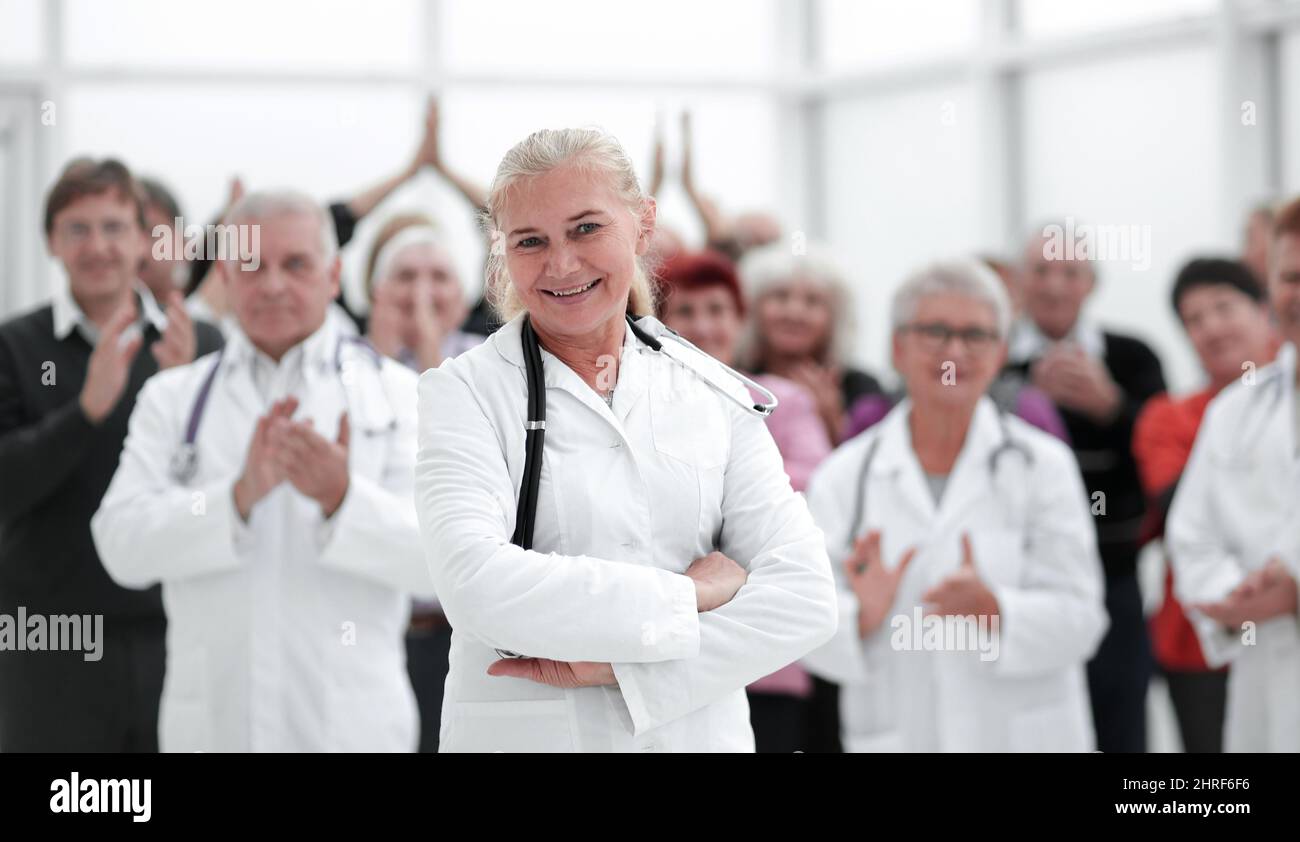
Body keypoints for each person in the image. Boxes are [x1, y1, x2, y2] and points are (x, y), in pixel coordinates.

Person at [414, 127, 837, 752]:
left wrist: (623, 670)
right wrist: (689, 596)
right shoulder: (465, 393)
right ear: (503, 254)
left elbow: (805, 597)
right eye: (531, 241)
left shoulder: (713, 390)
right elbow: (475, 586)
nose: (562, 264)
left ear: (643, 225)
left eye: (587, 228)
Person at [91, 190, 436, 752]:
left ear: (332, 274)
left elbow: (441, 566)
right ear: (226, 276)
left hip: (351, 731)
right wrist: (235, 500)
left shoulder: (401, 397)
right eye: (252, 264)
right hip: (213, 728)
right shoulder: (173, 399)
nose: (272, 283)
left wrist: (342, 499)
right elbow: (119, 545)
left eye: (295, 264)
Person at [802, 260, 1107, 752]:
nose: (955, 351)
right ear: (898, 348)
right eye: (936, 331)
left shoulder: (1042, 466)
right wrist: (862, 616)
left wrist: (998, 611)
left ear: (1002, 352)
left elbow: (1083, 619)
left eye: (977, 336)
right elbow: (804, 623)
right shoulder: (845, 476)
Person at [0, 158, 222, 751]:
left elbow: (227, 484)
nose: (97, 246)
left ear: (141, 239)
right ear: (51, 241)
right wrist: (87, 411)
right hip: (50, 644)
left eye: (113, 227)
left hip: (175, 634)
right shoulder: (16, 346)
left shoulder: (199, 344)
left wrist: (183, 394)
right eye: (77, 229)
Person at [655, 249, 832, 752]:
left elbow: (818, 481)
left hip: (770, 662)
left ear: (740, 320)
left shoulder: (780, 399)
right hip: (679, 653)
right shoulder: (648, 408)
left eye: (717, 310)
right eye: (686, 311)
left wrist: (727, 487)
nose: (703, 325)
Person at [1002, 223, 1166, 753]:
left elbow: (1159, 452)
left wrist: (1112, 407)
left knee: (1121, 721)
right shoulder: (994, 358)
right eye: (1041, 272)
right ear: (1020, 283)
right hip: (1016, 577)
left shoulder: (1132, 355)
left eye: (1069, 272)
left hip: (1113, 567)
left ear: (1090, 283)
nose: (1054, 287)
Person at [1167, 198, 1300, 752]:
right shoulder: (1235, 410)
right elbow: (1191, 537)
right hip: (1263, 687)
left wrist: (1294, 585)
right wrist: (1233, 595)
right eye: (1291, 277)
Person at [1133, 257, 1277, 753]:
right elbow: (1183, 513)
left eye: (1223, 307)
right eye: (1194, 319)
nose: (1211, 327)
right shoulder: (1167, 418)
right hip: (1200, 638)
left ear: (1264, 310)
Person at [364, 213, 484, 753]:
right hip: (371, 622)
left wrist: (432, 360)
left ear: (463, 295)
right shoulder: (344, 361)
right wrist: (379, 362)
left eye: (437, 277)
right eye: (405, 277)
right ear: (374, 291)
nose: (421, 293)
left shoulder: (492, 363)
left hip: (461, 630)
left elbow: (465, 463)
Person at [738, 244, 884, 446]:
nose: (794, 313)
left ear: (835, 318)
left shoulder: (858, 388)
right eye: (780, 297)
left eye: (812, 302)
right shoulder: (732, 379)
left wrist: (835, 423)